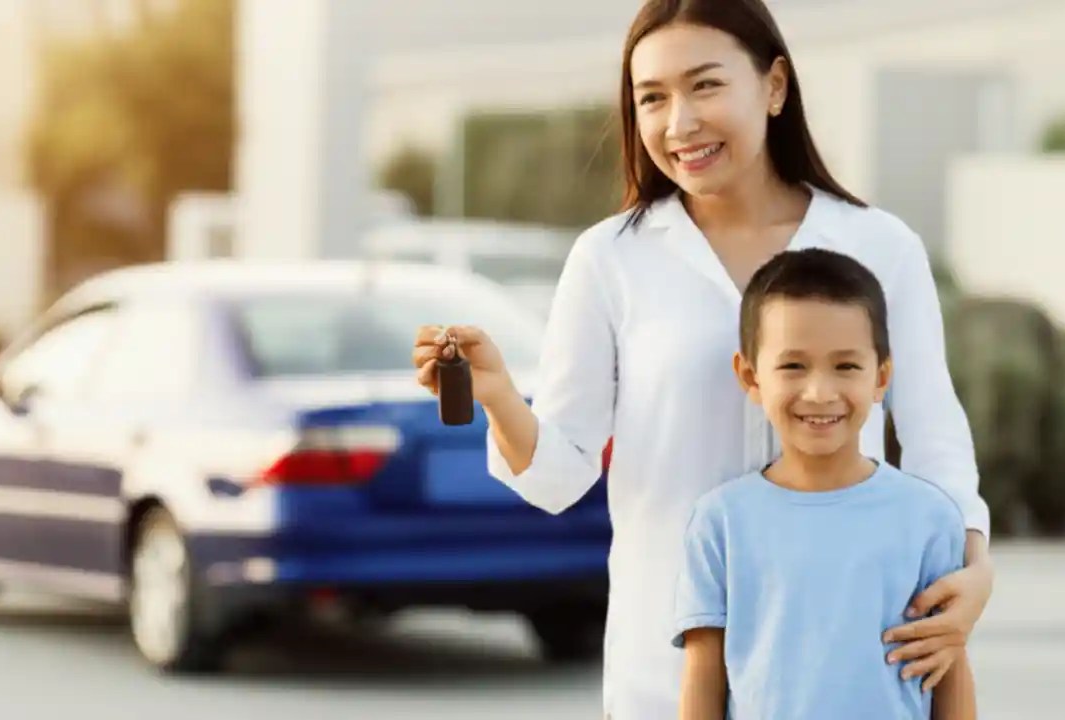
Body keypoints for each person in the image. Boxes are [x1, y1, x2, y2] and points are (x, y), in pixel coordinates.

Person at [412, 0, 993, 716]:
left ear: (774, 86)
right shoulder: (610, 260)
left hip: (850, 672)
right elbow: (559, 477)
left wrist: (974, 568)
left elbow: (937, 443)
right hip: (664, 675)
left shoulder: (881, 246)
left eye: (705, 85)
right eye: (651, 97)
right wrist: (500, 395)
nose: (678, 122)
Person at [672, 248, 977, 720]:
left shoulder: (929, 518)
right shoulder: (721, 523)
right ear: (750, 376)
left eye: (846, 367)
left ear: (881, 377)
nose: (819, 392)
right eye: (793, 366)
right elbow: (704, 676)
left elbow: (950, 671)